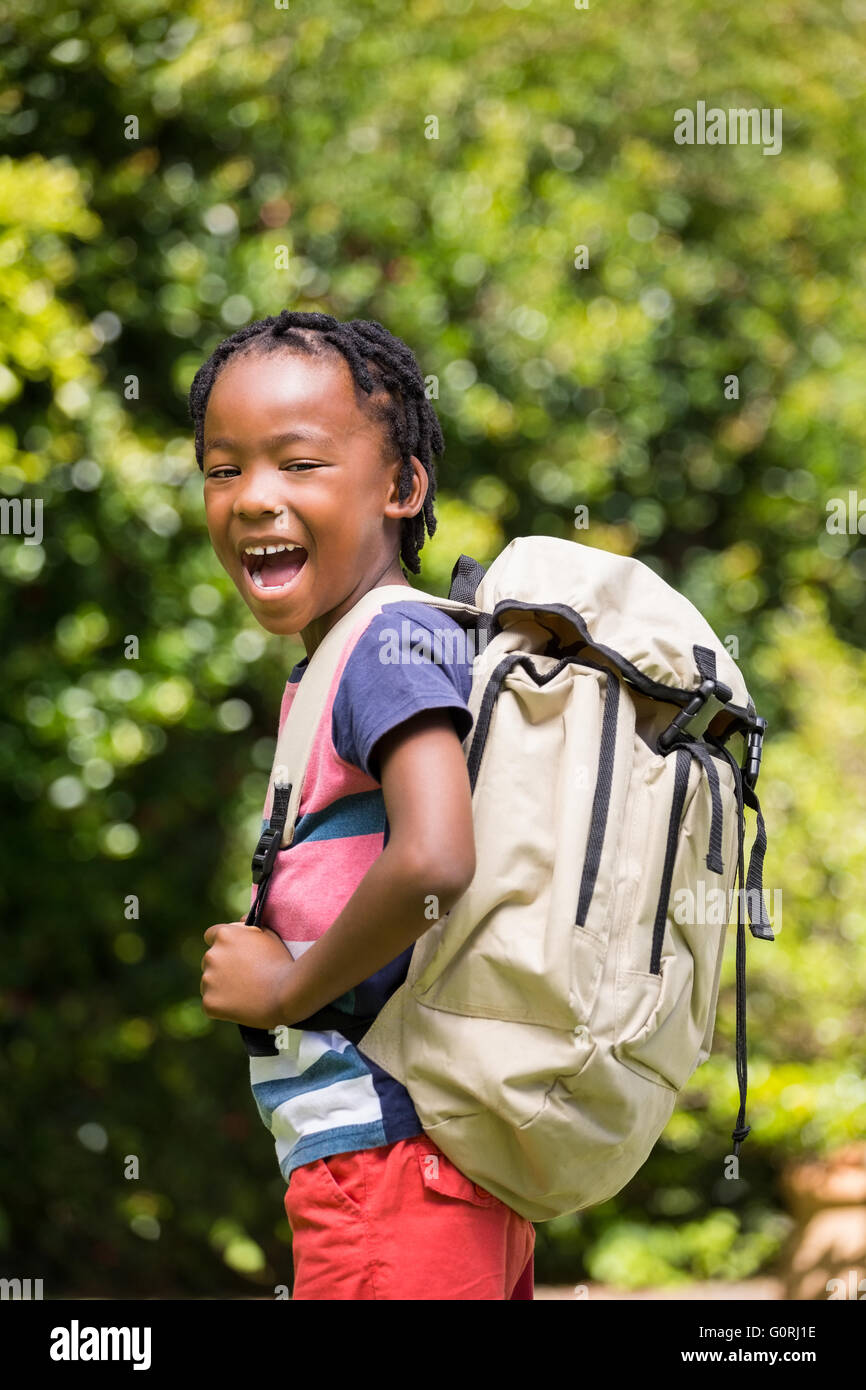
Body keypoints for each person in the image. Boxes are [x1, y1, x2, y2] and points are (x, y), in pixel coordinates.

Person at [190, 311, 536, 1300]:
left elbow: (433, 862)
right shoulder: (358, 653)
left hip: (390, 1165)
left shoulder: (390, 643)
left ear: (400, 487)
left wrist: (284, 991)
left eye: (298, 464)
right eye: (224, 469)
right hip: (424, 1164)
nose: (254, 498)